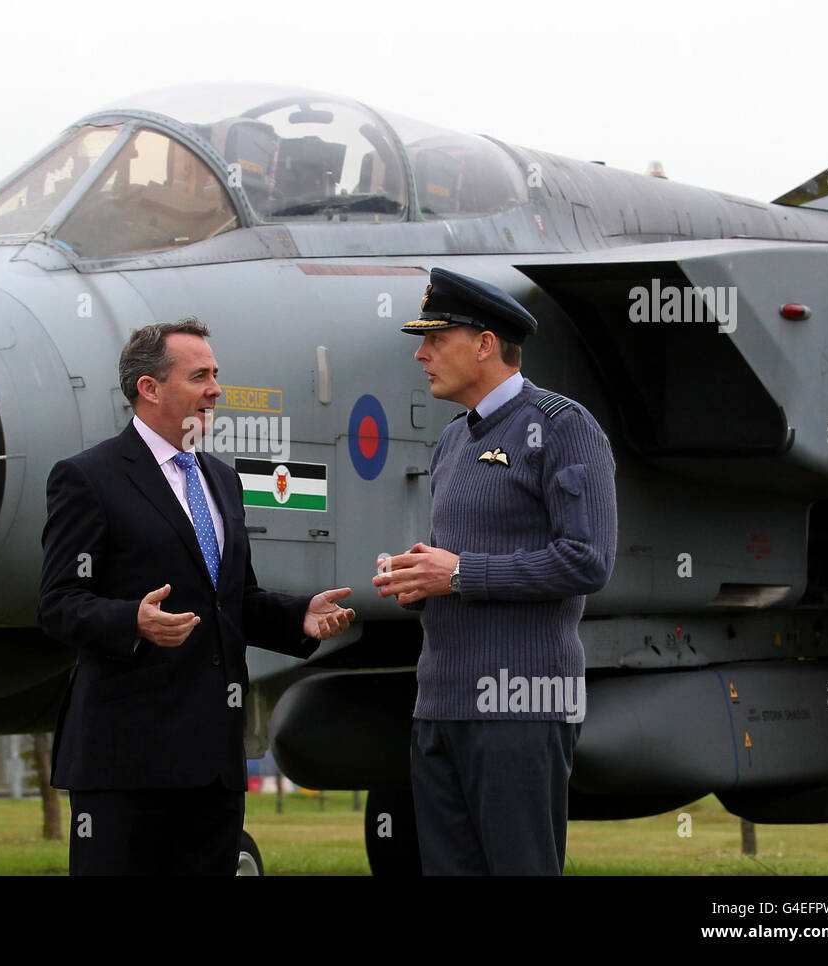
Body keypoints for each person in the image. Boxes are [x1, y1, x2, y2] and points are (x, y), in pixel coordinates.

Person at [38, 318, 355, 876]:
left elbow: (231, 600)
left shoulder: (222, 480)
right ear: (150, 388)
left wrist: (298, 616)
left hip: (212, 761)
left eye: (216, 375)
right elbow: (59, 602)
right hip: (124, 761)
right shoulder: (88, 478)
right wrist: (131, 621)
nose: (216, 389)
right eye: (200, 375)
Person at [372, 267, 617, 875]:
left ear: (484, 343)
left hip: (520, 707)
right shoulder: (452, 440)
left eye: (436, 339)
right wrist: (417, 580)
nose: (420, 354)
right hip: (440, 706)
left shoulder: (565, 426)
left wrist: (456, 574)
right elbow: (462, 565)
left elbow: (587, 560)